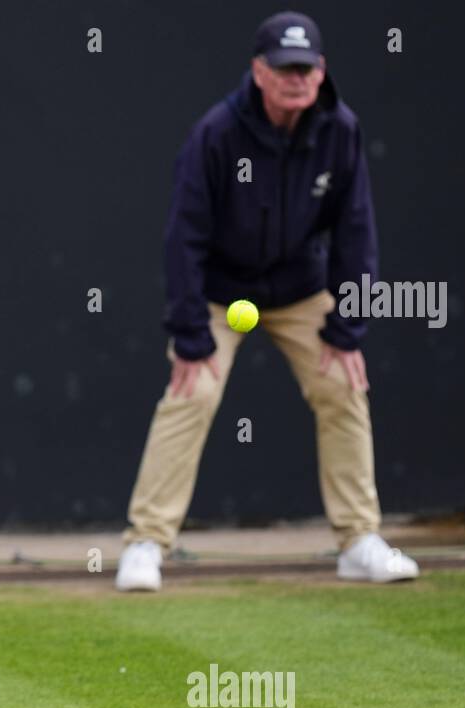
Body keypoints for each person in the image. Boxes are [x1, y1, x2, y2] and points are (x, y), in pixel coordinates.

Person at [116, 11, 418, 592]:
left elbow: (357, 232)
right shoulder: (217, 134)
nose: (296, 79)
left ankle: (359, 541)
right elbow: (184, 236)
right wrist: (189, 333)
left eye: (306, 68)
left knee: (343, 383)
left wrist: (346, 326)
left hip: (299, 289)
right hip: (221, 292)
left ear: (321, 70)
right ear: (259, 71)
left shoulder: (340, 130)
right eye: (284, 69)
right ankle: (146, 544)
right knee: (192, 390)